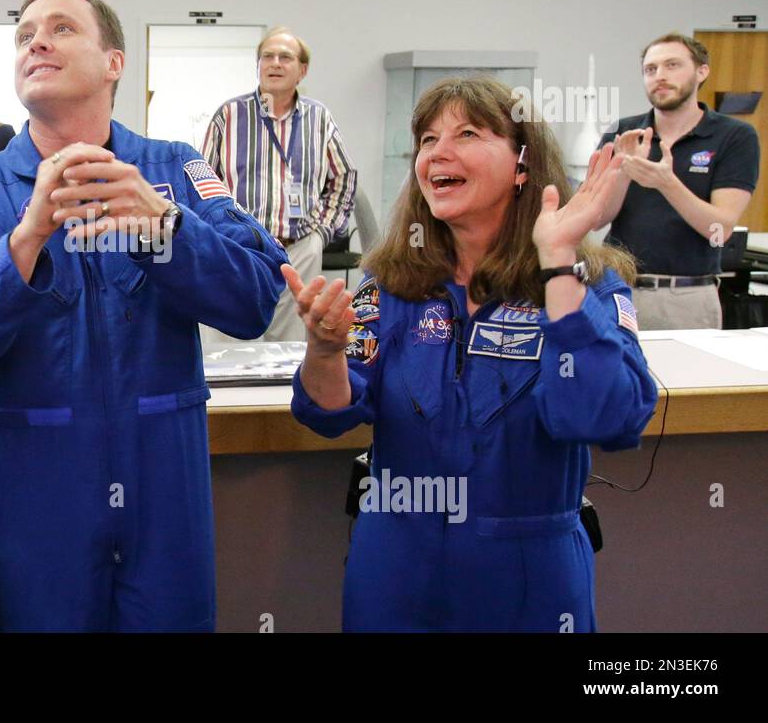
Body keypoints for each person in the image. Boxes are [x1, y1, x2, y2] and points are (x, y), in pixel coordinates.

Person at [0, 0, 287, 632]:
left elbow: (256, 300)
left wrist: (164, 228)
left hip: (162, 489)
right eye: (24, 35)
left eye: (62, 28)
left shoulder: (176, 169)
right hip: (39, 494)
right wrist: (25, 239)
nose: (35, 41)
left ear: (114, 62)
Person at [288, 77, 657, 632]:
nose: (439, 151)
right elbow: (331, 413)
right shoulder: (390, 284)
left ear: (522, 165)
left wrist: (555, 261)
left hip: (527, 572)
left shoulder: (588, 284)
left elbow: (607, 419)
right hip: (395, 564)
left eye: (467, 133)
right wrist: (324, 349)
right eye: (428, 139)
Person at [202, 26, 357, 341]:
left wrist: (320, 233)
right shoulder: (229, 115)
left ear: (302, 70)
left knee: (289, 348)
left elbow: (344, 177)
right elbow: (203, 182)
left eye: (285, 57)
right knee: (233, 342)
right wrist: (218, 234)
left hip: (298, 248)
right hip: (239, 249)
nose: (274, 63)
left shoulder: (319, 118)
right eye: (267, 57)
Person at [596, 33, 760, 330]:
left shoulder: (734, 136)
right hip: (616, 290)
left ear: (701, 71)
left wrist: (666, 183)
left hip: (686, 296)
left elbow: (719, 231)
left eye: (672, 65)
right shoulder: (623, 132)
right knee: (610, 377)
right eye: (651, 69)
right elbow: (595, 219)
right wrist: (622, 171)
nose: (660, 76)